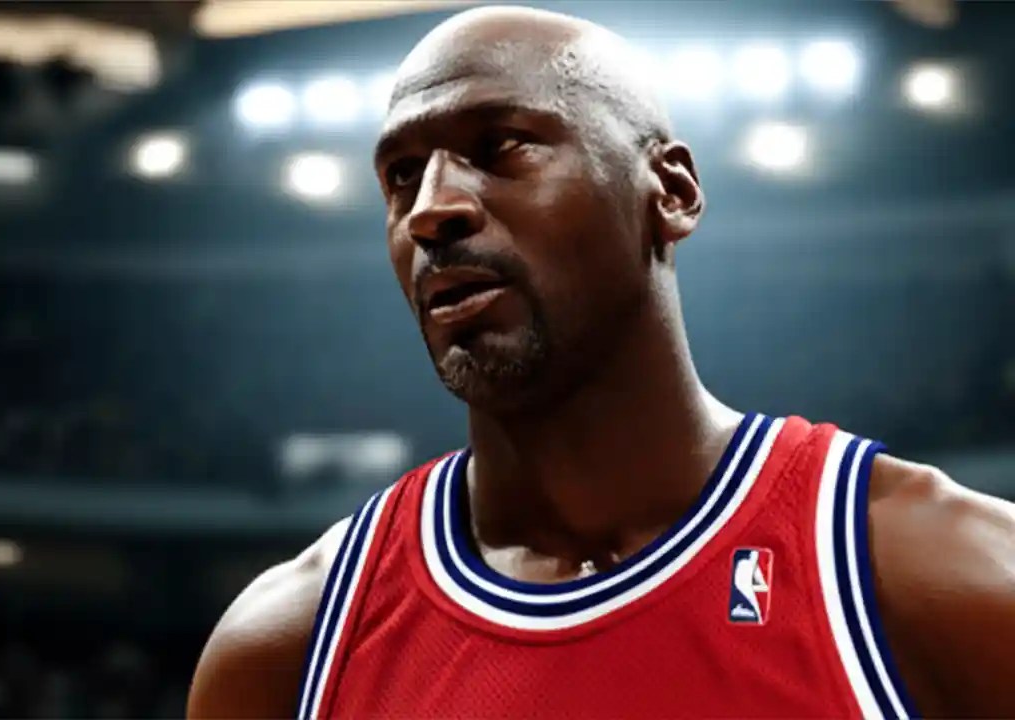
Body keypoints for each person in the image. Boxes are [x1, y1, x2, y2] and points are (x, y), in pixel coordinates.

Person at [188, 6, 1015, 718]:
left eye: (501, 145)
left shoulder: (932, 577)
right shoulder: (287, 648)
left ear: (673, 190)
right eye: (403, 177)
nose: (432, 210)